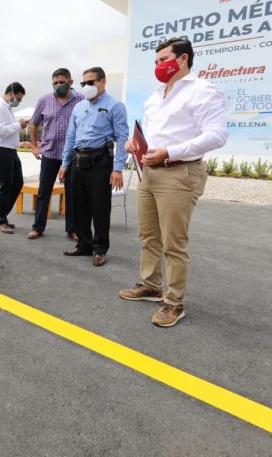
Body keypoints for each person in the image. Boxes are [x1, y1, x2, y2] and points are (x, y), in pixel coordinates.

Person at [120, 38, 228, 327]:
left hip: (180, 172)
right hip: (150, 172)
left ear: (183, 59)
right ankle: (151, 285)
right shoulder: (155, 96)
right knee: (149, 235)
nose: (158, 65)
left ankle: (174, 301)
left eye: (164, 59)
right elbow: (155, 135)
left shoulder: (203, 91)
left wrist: (171, 152)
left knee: (174, 242)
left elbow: (217, 135)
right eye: (155, 61)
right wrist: (135, 144)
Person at [59, 67, 128, 266]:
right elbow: (70, 136)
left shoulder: (115, 106)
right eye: (84, 83)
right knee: (78, 205)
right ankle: (83, 244)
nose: (87, 86)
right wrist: (65, 163)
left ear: (103, 82)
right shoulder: (79, 107)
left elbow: (123, 137)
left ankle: (99, 249)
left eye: (91, 82)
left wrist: (117, 168)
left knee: (100, 207)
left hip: (100, 161)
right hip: (78, 161)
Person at [27, 68, 85, 240]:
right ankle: (38, 227)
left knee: (73, 193)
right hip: (50, 154)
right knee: (44, 191)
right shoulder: (44, 100)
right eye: (55, 82)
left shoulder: (81, 100)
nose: (58, 85)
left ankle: (72, 229)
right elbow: (33, 123)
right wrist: (34, 146)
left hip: (73, 155)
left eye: (62, 82)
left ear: (70, 82)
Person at [0, 82, 28, 234]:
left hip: (10, 151)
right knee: (6, 185)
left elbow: (8, 129)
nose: (18, 101)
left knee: (17, 183)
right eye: (18, 98)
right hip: (0, 150)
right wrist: (18, 125)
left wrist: (18, 126)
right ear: (11, 93)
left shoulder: (7, 108)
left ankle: (1, 214)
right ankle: (1, 218)